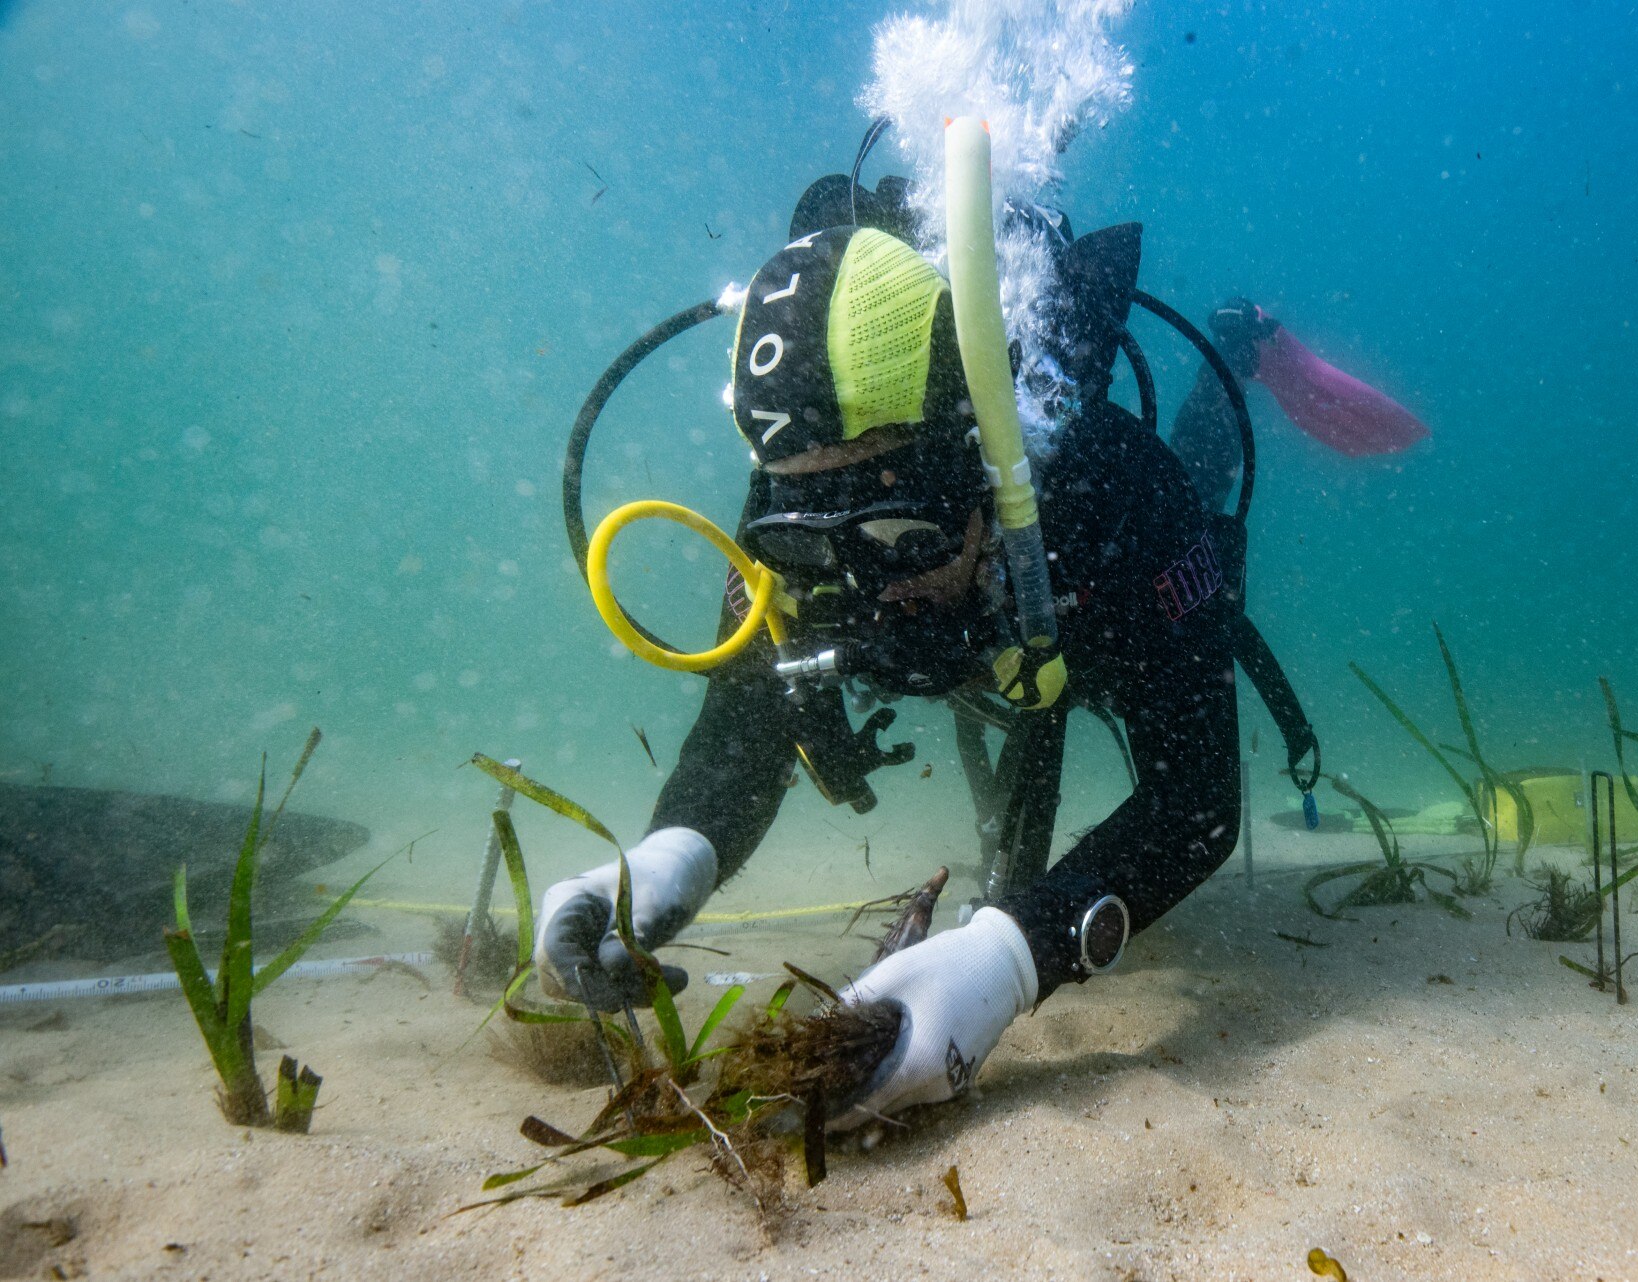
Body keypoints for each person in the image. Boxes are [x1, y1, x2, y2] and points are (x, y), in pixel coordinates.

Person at [537, 187, 1314, 1131]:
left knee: (1202, 463)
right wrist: (668, 859)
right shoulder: (791, 505)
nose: (861, 590)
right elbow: (748, 722)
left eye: (898, 536)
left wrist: (1010, 956)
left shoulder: (1123, 496)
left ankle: (1236, 346)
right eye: (810, 546)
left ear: (986, 476)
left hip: (1094, 612)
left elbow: (1193, 807)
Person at [1172, 298, 1431, 513]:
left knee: (1313, 399)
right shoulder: (1219, 399)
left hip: (1254, 360)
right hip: (1249, 365)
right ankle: (1400, 435)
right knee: (1312, 402)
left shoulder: (1222, 392)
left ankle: (1402, 435)